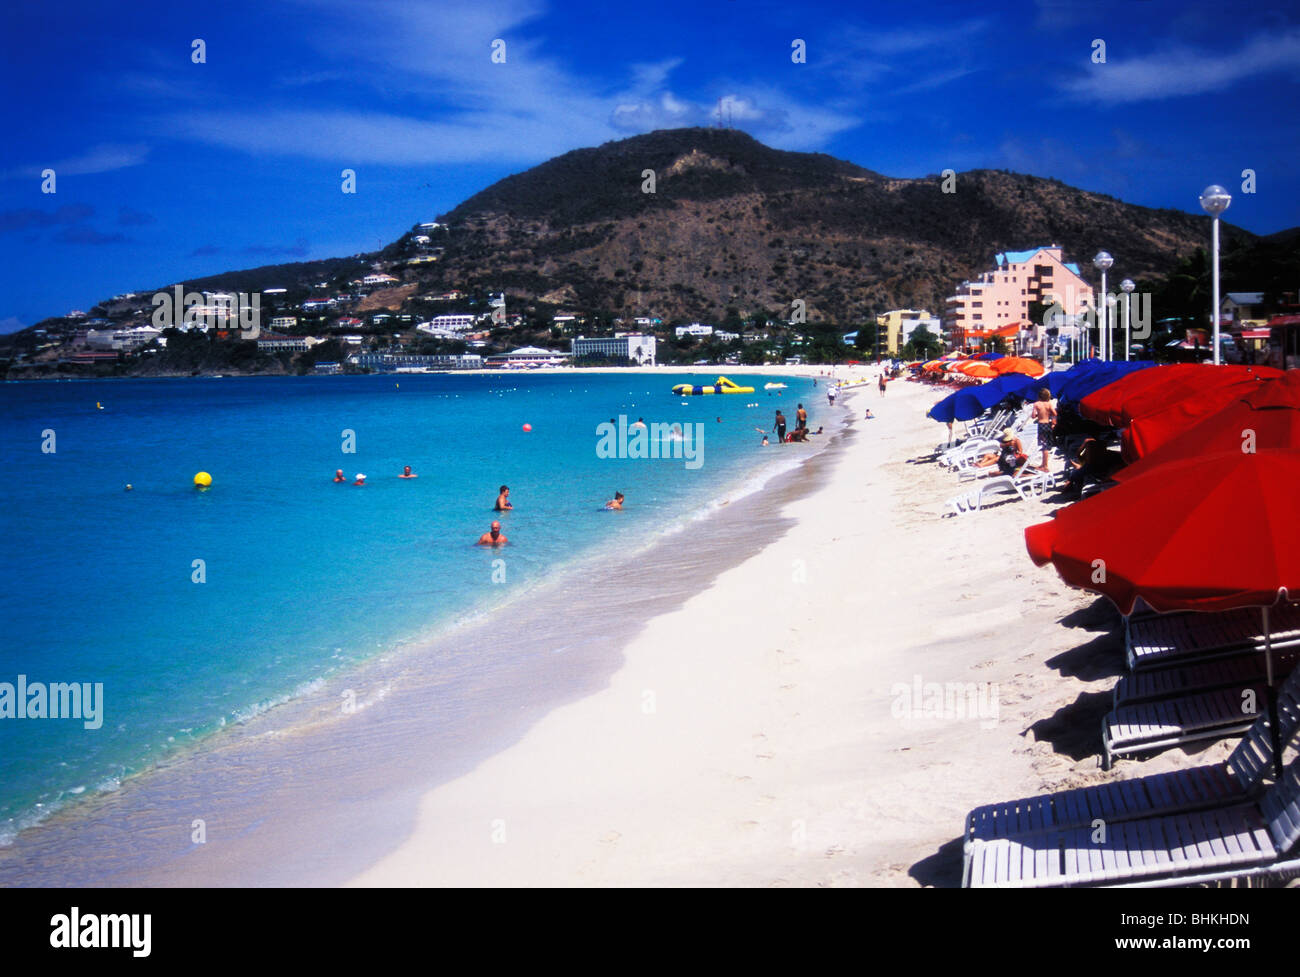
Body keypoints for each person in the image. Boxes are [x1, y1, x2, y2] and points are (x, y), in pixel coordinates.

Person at [1030, 389, 1057, 472]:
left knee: (1043, 446)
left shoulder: (1036, 404)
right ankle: (1043, 464)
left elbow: (1033, 416)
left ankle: (1045, 466)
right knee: (1046, 445)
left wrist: (1038, 414)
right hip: (1048, 425)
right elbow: (1055, 414)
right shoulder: (1049, 404)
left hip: (1041, 425)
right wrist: (1053, 422)